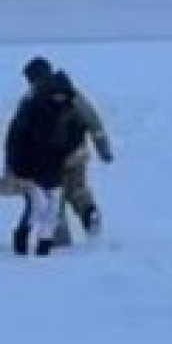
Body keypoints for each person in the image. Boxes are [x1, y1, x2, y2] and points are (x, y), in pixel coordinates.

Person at [4, 71, 88, 257]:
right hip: (30, 168)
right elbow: (15, 138)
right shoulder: (31, 109)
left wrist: (72, 152)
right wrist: (13, 166)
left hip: (55, 168)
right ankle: (22, 237)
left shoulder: (71, 113)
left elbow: (77, 135)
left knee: (53, 209)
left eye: (63, 93)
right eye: (56, 92)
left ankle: (44, 244)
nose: (59, 97)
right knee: (38, 206)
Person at [52, 69, 114, 238]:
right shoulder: (80, 101)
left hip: (54, 158)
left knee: (55, 195)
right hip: (77, 155)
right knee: (77, 190)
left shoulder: (43, 101)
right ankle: (89, 211)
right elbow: (96, 125)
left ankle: (59, 234)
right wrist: (104, 150)